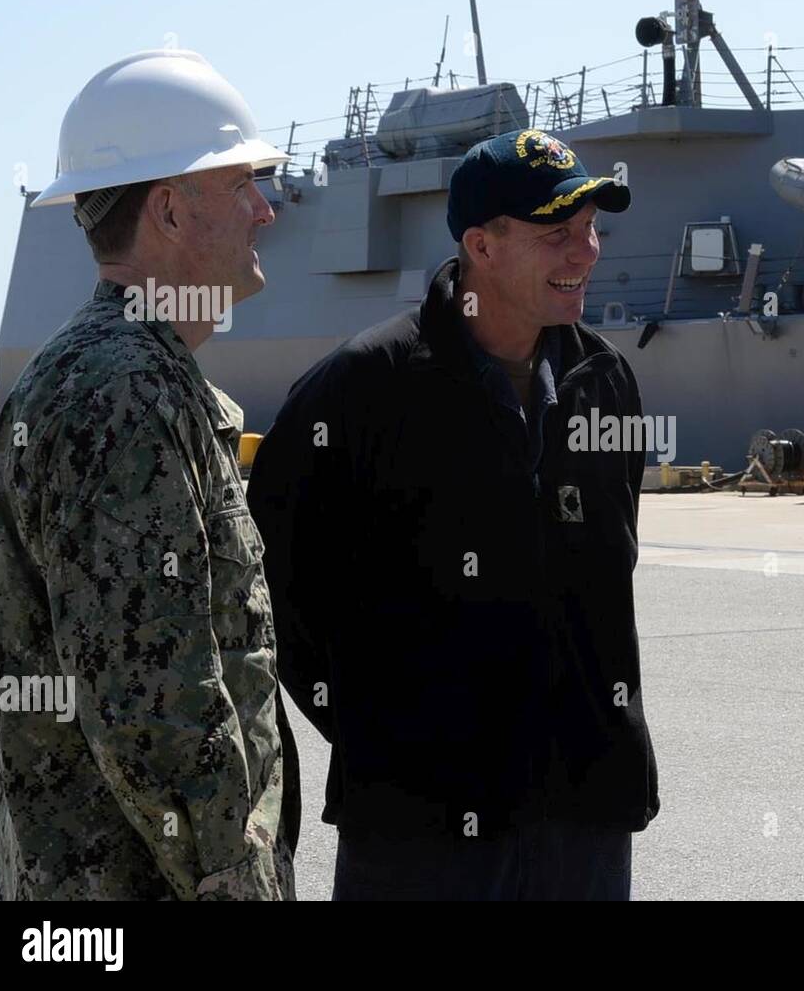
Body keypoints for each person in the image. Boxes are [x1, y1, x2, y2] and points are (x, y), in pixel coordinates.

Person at [247, 128, 659, 901]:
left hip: (585, 814)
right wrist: (386, 731)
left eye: (592, 228)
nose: (588, 252)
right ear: (482, 245)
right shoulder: (366, 386)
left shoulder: (606, 382)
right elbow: (267, 588)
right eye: (558, 233)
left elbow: (611, 570)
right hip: (420, 830)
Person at [0, 50, 300, 900]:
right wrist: (239, 882)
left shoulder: (128, 377)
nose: (267, 211)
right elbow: (153, 707)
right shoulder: (122, 395)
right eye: (242, 186)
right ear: (167, 209)